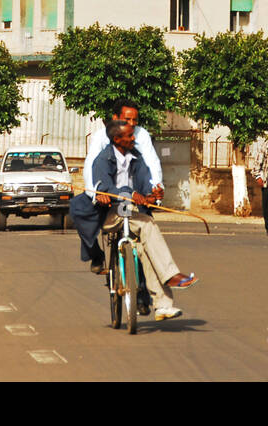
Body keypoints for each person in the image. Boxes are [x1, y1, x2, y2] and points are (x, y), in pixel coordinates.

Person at [92, 119, 196, 321]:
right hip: (111, 212)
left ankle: (163, 305)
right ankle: (170, 275)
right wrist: (129, 193)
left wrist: (152, 194)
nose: (133, 139)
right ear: (117, 139)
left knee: (145, 249)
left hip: (133, 211)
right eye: (129, 136)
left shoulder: (137, 158)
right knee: (148, 226)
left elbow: (146, 182)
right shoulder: (102, 160)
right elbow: (103, 187)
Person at [70, 99, 164, 273]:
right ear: (115, 118)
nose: (132, 125)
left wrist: (154, 189)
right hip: (108, 194)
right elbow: (91, 165)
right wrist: (96, 194)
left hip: (133, 195)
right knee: (80, 213)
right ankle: (96, 255)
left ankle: (142, 288)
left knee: (146, 232)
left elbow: (152, 163)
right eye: (127, 120)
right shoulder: (100, 137)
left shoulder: (141, 135)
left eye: (135, 121)